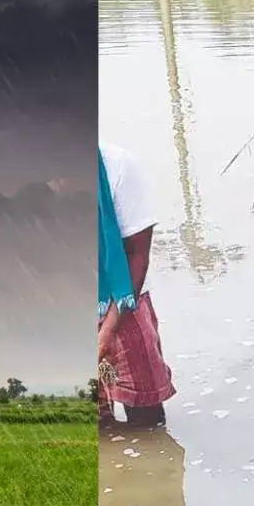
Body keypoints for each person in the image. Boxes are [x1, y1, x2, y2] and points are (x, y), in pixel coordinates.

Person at [98, 143, 177, 427]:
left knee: (146, 418)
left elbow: (137, 253)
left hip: (123, 299)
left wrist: (109, 327)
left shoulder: (118, 167)